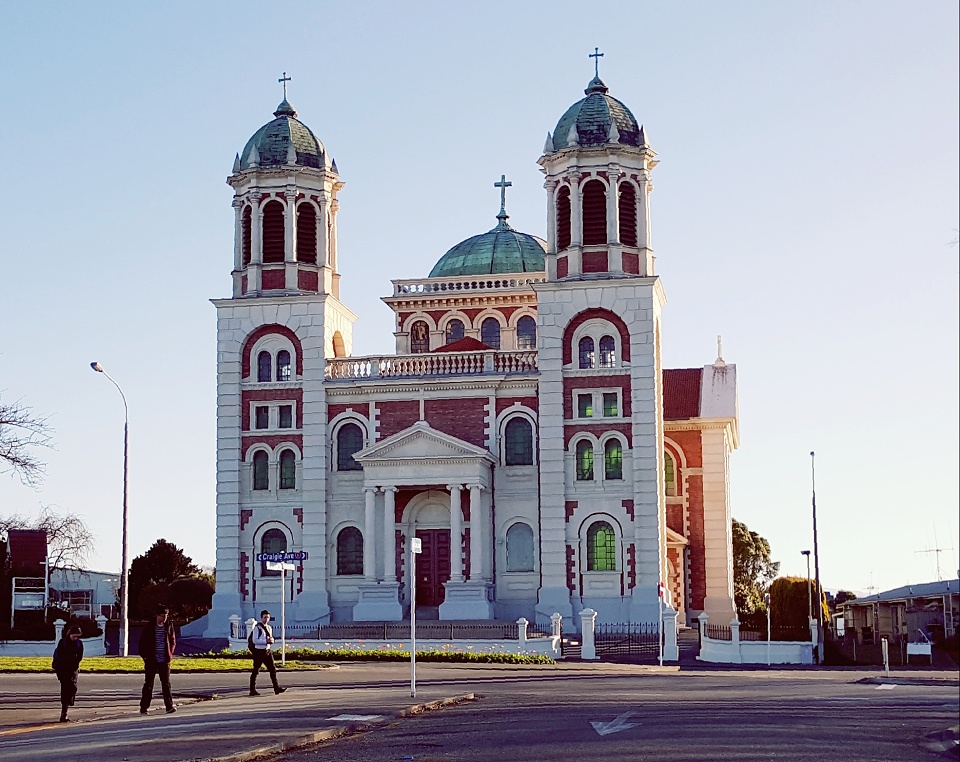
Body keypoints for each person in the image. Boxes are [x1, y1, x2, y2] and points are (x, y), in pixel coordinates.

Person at [138, 604, 177, 714]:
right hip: (151, 660)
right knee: (149, 684)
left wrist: (170, 654)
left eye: (165, 616)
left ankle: (169, 706)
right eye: (161, 616)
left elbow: (173, 640)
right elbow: (142, 642)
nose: (163, 619)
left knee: (166, 684)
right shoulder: (150, 627)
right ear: (157, 616)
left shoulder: (169, 625)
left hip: (164, 660)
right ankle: (144, 707)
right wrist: (145, 657)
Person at [249, 609, 286, 696]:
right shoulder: (257, 628)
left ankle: (276, 688)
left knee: (272, 669)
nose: (266, 619)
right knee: (255, 671)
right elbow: (255, 640)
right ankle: (252, 690)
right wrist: (266, 641)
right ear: (261, 618)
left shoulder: (269, 628)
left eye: (268, 617)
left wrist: (271, 641)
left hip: (267, 651)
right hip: (259, 652)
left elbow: (270, 638)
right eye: (265, 617)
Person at [52, 623, 84, 722]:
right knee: (65, 688)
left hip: (73, 668)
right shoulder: (63, 642)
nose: (75, 638)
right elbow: (59, 656)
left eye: (77, 636)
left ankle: (68, 703)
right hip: (62, 668)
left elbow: (80, 656)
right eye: (74, 636)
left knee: (73, 687)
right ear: (70, 634)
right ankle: (64, 713)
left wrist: (75, 664)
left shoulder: (79, 644)